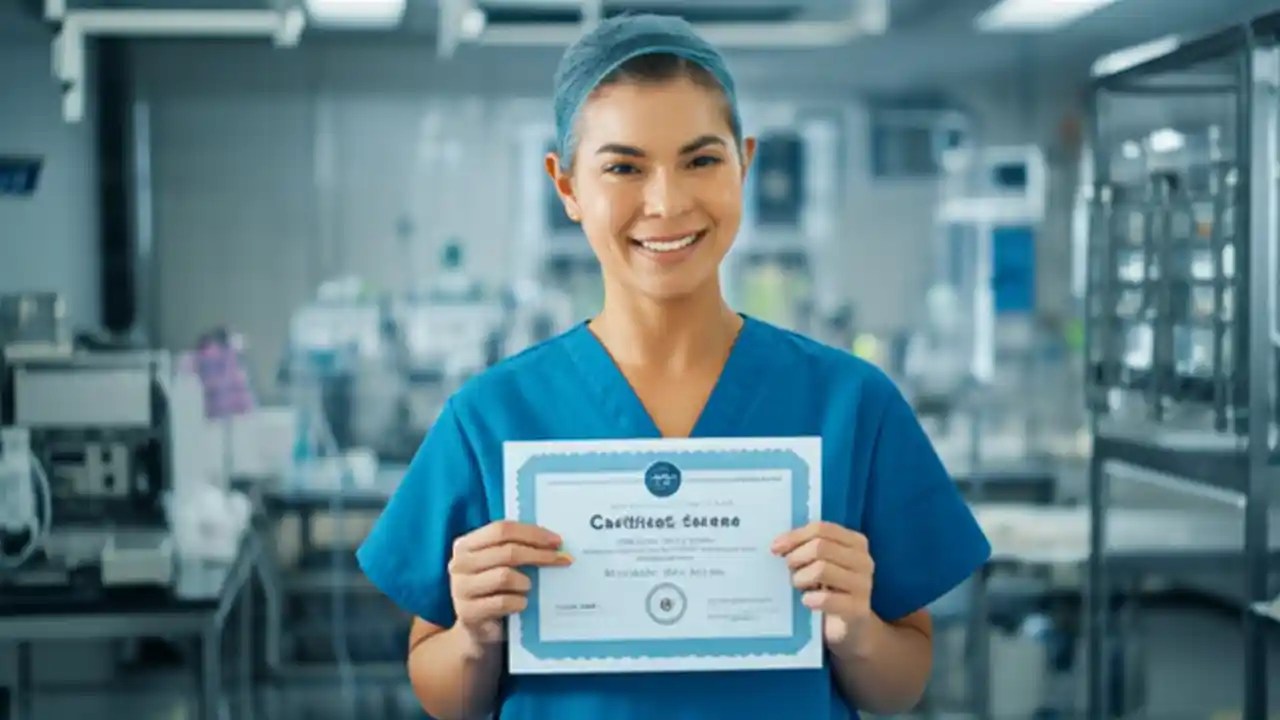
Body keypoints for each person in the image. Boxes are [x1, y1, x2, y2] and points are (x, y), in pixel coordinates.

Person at [357, 13, 991, 720]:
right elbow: (444, 695)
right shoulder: (491, 417)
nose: (666, 202)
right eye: (624, 167)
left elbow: (902, 685)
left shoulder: (852, 404)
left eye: (701, 160)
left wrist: (858, 632)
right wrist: (475, 637)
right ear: (565, 186)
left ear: (744, 163)